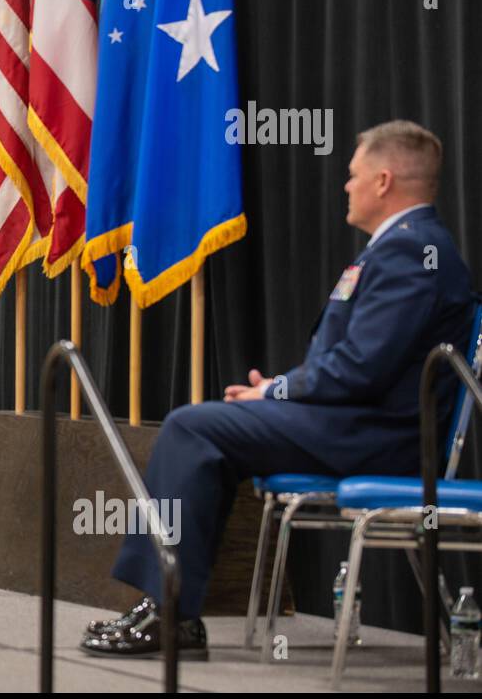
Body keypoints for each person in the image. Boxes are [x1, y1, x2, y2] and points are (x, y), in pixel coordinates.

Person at [83, 120, 474, 658]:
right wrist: (277, 389)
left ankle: (170, 610)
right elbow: (354, 364)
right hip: (354, 424)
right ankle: (172, 609)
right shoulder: (401, 248)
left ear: (384, 181)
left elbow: (359, 371)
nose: (346, 185)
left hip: (380, 438)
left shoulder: (414, 252)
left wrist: (275, 394)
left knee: (192, 427)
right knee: (206, 430)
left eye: (354, 175)